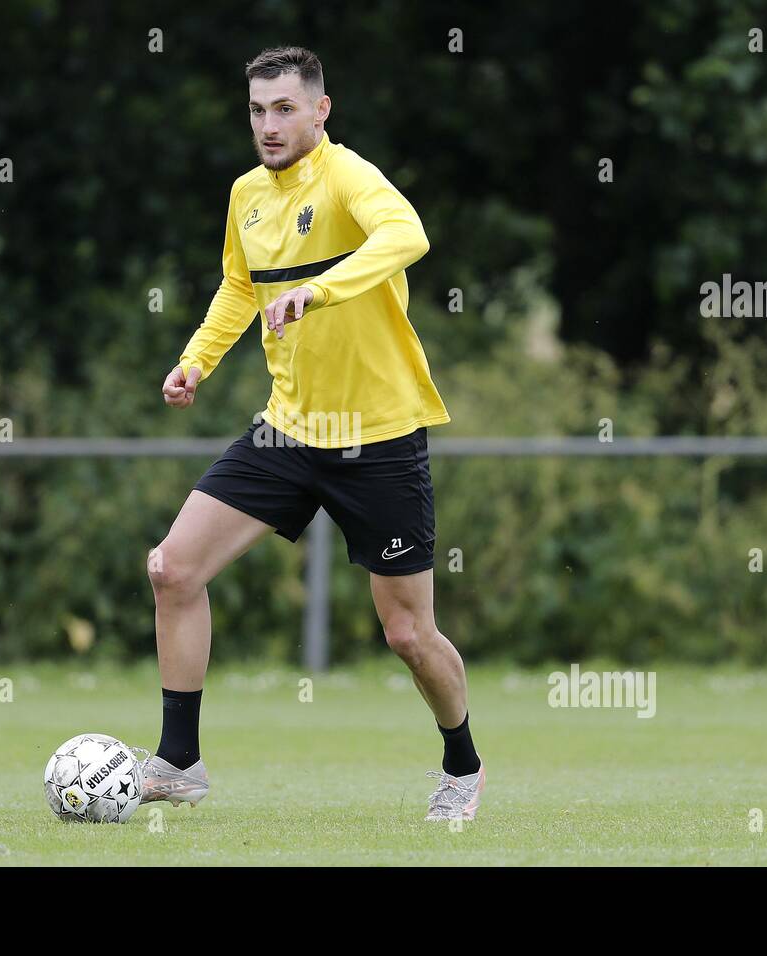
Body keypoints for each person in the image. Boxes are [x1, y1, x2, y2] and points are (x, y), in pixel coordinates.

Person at [141, 46, 483, 821]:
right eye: (258, 110)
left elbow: (407, 234)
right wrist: (196, 361)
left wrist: (319, 290)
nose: (269, 125)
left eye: (285, 108)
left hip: (381, 436)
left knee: (407, 634)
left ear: (320, 110)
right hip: (289, 431)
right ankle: (179, 762)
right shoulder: (246, 196)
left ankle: (462, 766)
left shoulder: (348, 176)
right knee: (172, 570)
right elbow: (239, 285)